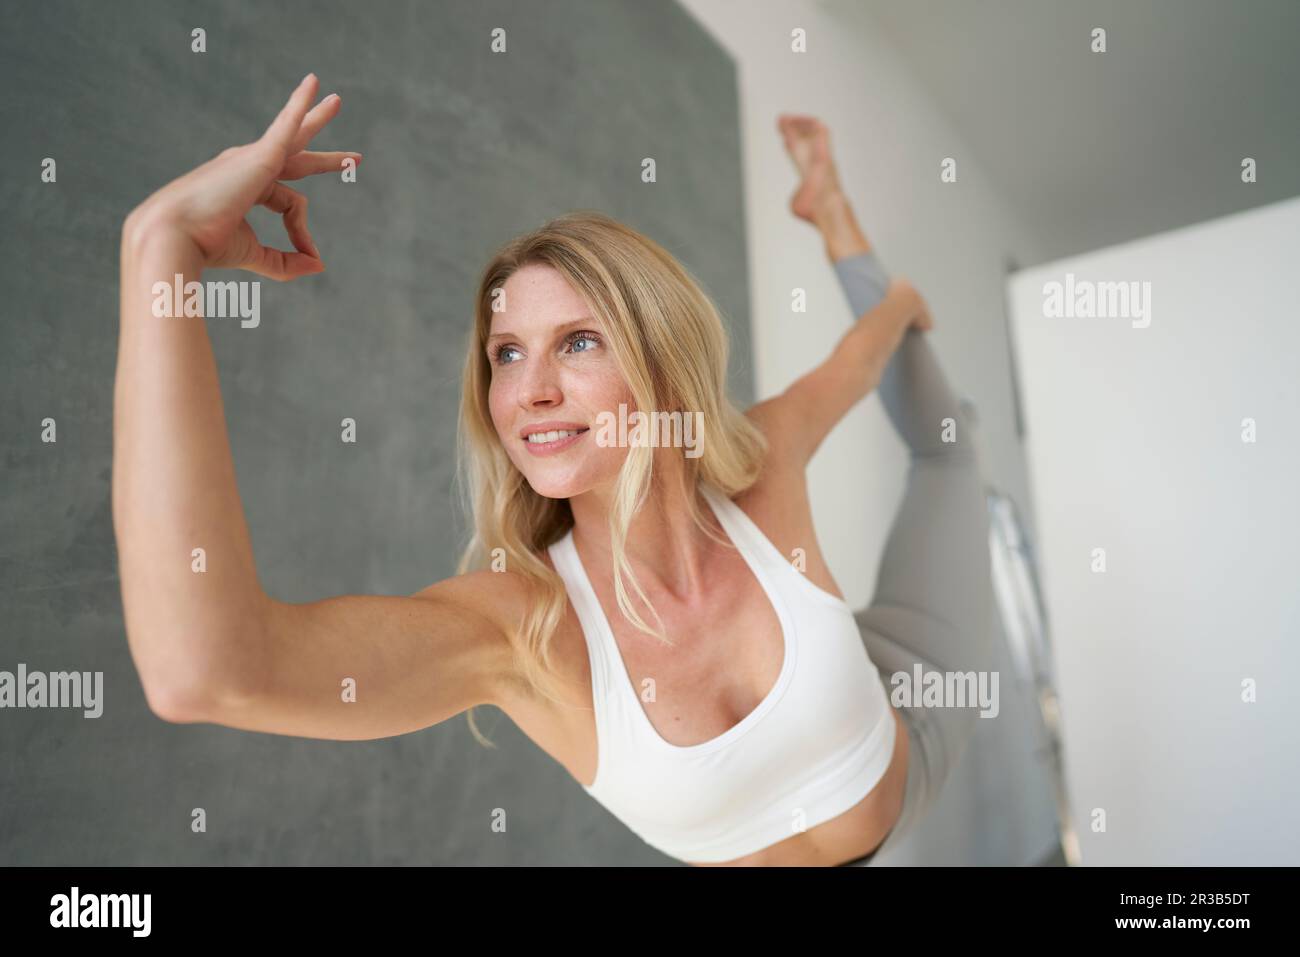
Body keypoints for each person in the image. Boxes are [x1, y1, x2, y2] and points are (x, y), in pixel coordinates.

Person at [114, 74, 994, 867]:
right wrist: (163, 250)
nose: (529, 390)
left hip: (910, 711)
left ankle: (829, 209)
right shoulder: (521, 632)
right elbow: (208, 671)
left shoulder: (758, 471)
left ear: (660, 359)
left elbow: (856, 359)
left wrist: (892, 303)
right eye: (504, 353)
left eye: (576, 342)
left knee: (948, 450)